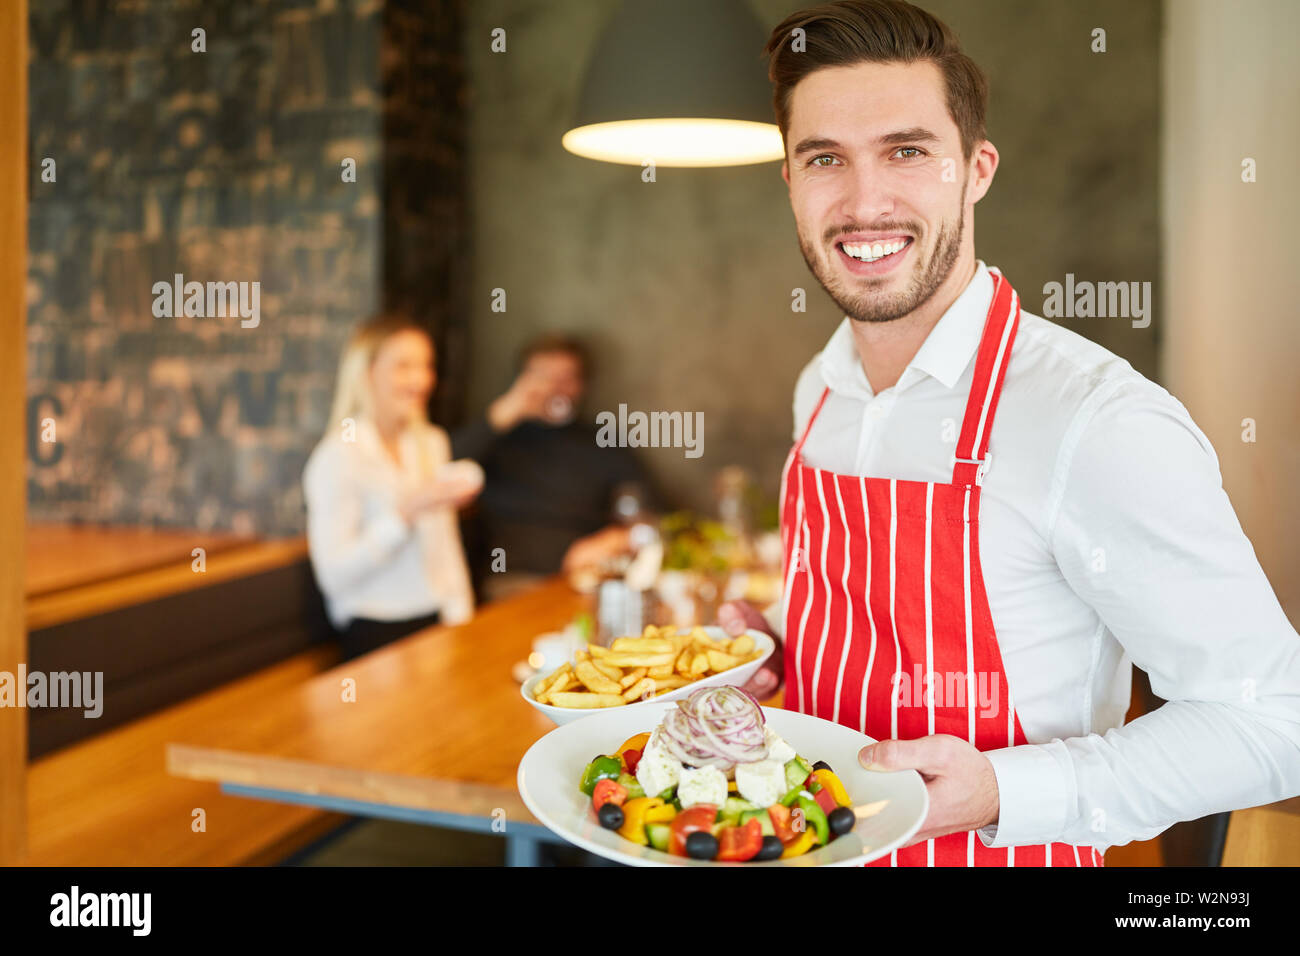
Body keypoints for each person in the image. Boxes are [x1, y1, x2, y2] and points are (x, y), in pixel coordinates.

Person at [719, 0, 1300, 867]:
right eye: (826, 159)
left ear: (976, 168)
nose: (865, 200)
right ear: (791, 181)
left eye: (908, 152)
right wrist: (783, 643)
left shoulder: (1096, 420)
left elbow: (1272, 718)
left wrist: (1004, 791)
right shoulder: (823, 386)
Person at [304, 314, 482, 661]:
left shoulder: (431, 441)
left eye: (426, 366)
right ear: (367, 372)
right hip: (375, 632)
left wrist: (462, 617)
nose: (421, 379)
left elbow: (445, 547)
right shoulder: (338, 454)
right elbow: (334, 576)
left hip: (439, 623)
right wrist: (405, 514)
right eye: (404, 366)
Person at [452, 334, 653, 599]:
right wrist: (504, 413)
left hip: (586, 581)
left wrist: (618, 538)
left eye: (567, 378)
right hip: (511, 584)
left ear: (582, 385)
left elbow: (651, 515)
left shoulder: (602, 443)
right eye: (543, 376)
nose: (555, 388)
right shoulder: (497, 439)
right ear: (521, 381)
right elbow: (438, 472)